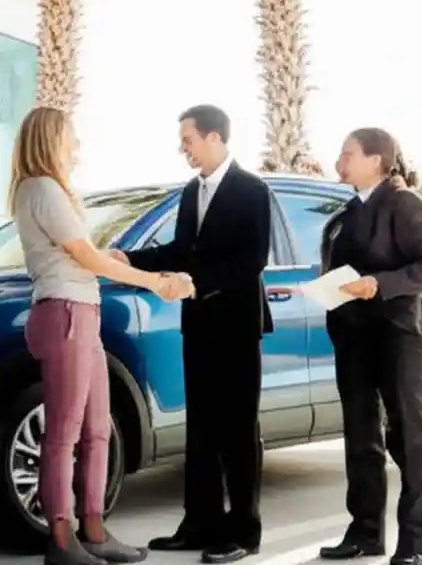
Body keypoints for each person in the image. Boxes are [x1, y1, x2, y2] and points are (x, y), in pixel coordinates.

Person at [9, 106, 194, 565]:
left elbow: (84, 254)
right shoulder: (43, 188)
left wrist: (106, 255)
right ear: (51, 139)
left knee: (97, 430)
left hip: (82, 312)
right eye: (71, 136)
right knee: (64, 434)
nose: (78, 145)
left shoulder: (48, 192)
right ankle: (61, 539)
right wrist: (157, 282)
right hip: (65, 313)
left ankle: (93, 529)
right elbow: (82, 258)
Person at [112, 104, 273, 564]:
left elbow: (251, 261)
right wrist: (132, 260)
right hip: (197, 324)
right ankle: (199, 523)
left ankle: (243, 530)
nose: (182, 148)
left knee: (238, 430)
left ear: (215, 138)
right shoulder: (190, 192)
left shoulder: (252, 190)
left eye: (188, 139)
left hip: (237, 326)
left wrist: (197, 283)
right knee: (201, 427)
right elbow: (181, 250)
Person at [316, 128, 422, 565]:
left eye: (347, 153)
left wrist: (380, 283)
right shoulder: (346, 213)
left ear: (377, 160)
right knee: (360, 436)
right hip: (354, 337)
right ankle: (365, 532)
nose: (339, 161)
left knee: (412, 435)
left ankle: (414, 545)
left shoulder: (404, 203)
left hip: (398, 334)